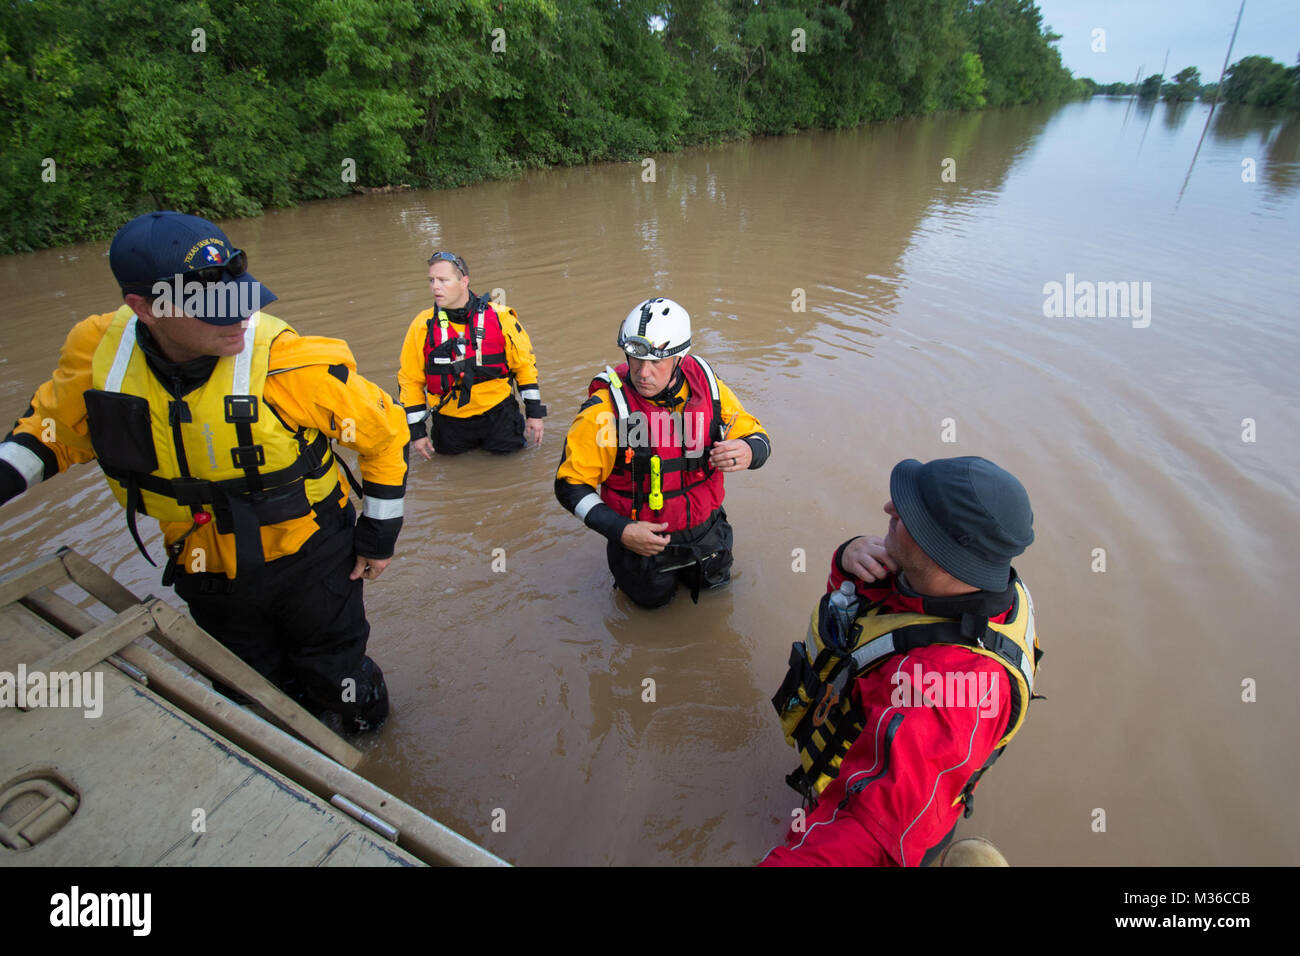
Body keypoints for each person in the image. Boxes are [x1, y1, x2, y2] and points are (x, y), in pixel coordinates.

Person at [0, 211, 407, 733]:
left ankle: (370, 760)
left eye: (242, 298)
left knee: (339, 673)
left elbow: (385, 433)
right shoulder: (98, 354)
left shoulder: (286, 362)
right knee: (246, 684)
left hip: (311, 559)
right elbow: (48, 434)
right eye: (215, 310)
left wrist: (377, 538)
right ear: (143, 307)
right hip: (204, 567)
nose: (241, 318)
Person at [763, 456, 1041, 866]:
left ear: (942, 552)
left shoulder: (948, 695)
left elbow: (870, 834)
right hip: (855, 742)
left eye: (910, 514)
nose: (889, 509)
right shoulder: (962, 581)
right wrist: (846, 560)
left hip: (901, 813)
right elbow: (857, 626)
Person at [554, 296, 771, 608]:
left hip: (708, 534)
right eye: (635, 359)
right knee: (650, 612)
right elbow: (569, 485)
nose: (643, 373)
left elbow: (757, 435)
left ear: (680, 359)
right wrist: (621, 531)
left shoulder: (709, 388)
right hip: (641, 546)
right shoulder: (603, 412)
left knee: (718, 599)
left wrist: (750, 450)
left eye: (656, 363)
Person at [397, 251, 545, 458]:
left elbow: (525, 367)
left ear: (464, 281)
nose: (435, 287)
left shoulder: (501, 317)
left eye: (443, 280)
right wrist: (417, 432)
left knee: (511, 467)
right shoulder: (422, 326)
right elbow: (410, 381)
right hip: (449, 424)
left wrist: (534, 414)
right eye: (431, 280)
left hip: (499, 416)